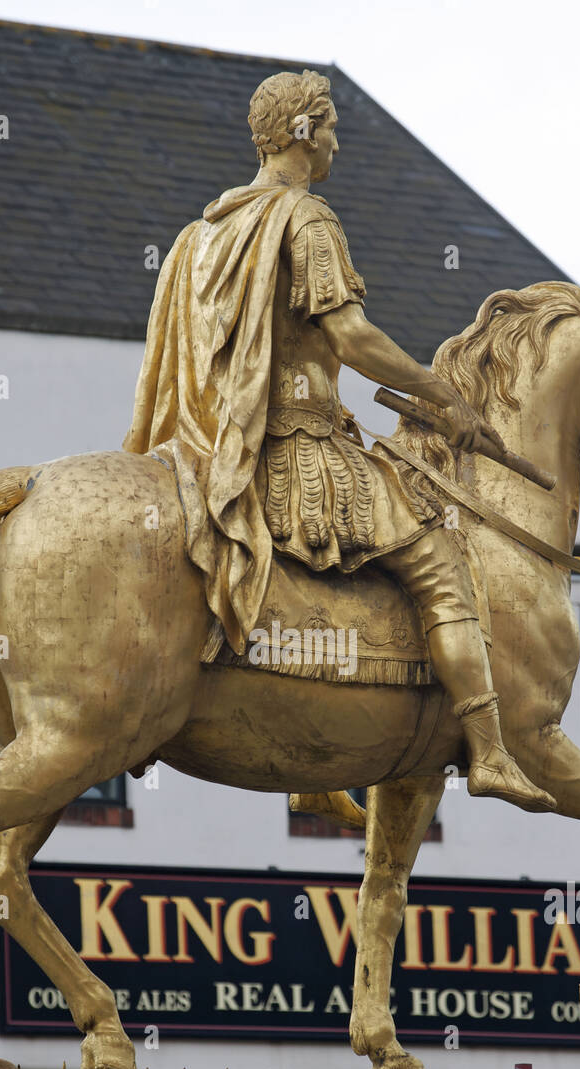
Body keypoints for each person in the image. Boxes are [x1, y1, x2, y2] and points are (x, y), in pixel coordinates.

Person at [124, 69, 554, 816]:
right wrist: (440, 392)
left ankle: (315, 775)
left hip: (208, 451)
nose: (334, 143)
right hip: (296, 450)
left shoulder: (203, 233)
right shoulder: (305, 219)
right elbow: (352, 338)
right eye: (328, 127)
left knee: (336, 587)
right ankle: (488, 751)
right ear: (300, 132)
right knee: (441, 564)